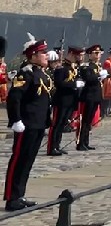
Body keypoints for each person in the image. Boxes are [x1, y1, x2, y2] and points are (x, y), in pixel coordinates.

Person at [5, 36, 52, 211]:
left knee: (28, 161)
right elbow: (14, 98)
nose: (46, 55)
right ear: (33, 55)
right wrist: (16, 120)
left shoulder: (41, 73)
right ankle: (11, 198)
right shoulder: (25, 74)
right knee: (18, 160)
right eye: (43, 53)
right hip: (26, 124)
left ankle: (19, 195)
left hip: (38, 124)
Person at [46, 47, 78, 156]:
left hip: (69, 100)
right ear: (72, 54)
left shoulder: (73, 67)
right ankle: (51, 147)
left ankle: (57, 145)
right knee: (56, 124)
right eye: (78, 55)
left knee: (62, 124)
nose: (79, 58)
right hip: (61, 100)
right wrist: (74, 84)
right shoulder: (61, 68)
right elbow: (59, 83)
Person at [76, 45, 105, 151]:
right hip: (88, 96)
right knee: (84, 120)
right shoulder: (86, 66)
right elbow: (88, 78)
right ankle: (80, 142)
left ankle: (86, 142)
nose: (98, 55)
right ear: (90, 54)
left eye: (99, 53)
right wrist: (99, 75)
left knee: (89, 121)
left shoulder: (98, 66)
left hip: (96, 96)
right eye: (96, 53)